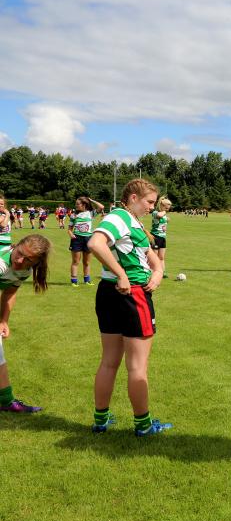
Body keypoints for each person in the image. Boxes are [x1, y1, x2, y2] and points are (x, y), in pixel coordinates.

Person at [87, 179, 169, 436]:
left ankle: (101, 419)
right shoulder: (119, 216)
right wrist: (122, 273)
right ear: (133, 197)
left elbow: (152, 258)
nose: (152, 208)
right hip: (131, 295)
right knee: (136, 366)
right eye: (149, 202)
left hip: (111, 294)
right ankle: (143, 426)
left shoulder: (133, 222)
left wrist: (157, 273)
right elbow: (95, 243)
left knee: (109, 361)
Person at [0, 235, 51, 414]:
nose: (20, 260)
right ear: (17, 245)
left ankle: (6, 401)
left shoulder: (24, 270)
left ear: (37, 262)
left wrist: (3, 320)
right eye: (20, 253)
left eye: (28, 259)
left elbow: (9, 293)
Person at [68, 196, 105, 287]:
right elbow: (69, 229)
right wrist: (71, 234)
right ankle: (74, 281)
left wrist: (91, 200)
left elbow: (101, 207)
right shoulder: (74, 215)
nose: (76, 205)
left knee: (87, 262)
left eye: (78, 204)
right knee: (75, 261)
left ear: (84, 205)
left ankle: (87, 280)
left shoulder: (91, 213)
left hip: (88, 239)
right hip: (76, 239)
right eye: (76, 204)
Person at [151, 197, 172, 279]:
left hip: (163, 238)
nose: (167, 209)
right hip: (155, 237)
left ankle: (162, 273)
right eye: (166, 207)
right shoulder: (155, 212)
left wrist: (166, 220)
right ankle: (153, 273)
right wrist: (164, 213)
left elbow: (166, 219)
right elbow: (159, 215)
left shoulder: (164, 214)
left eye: (168, 208)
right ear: (162, 206)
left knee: (161, 257)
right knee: (154, 257)